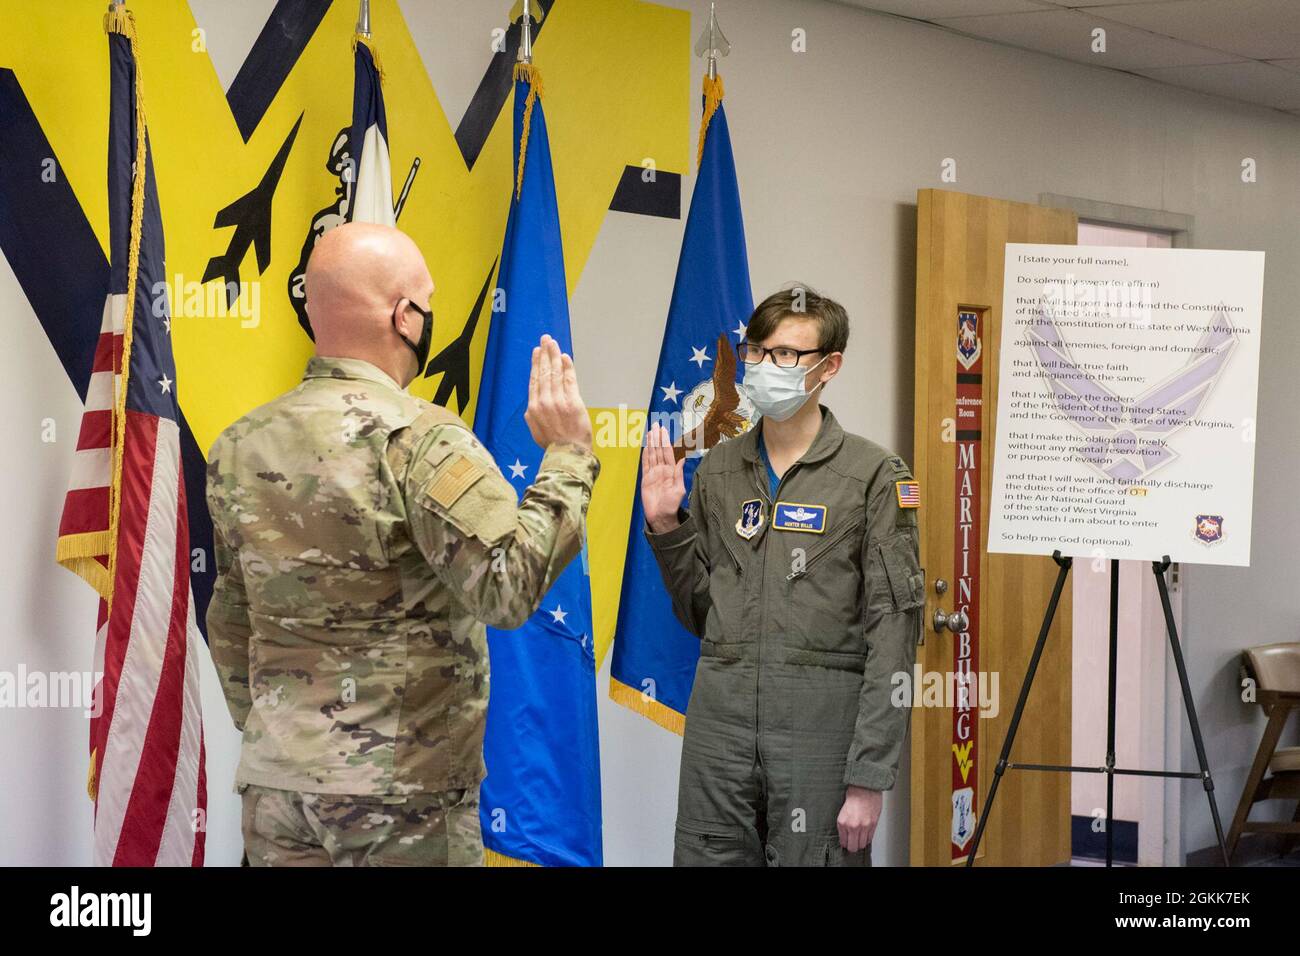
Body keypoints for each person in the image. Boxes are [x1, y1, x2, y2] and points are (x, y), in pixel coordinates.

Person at [205, 221, 598, 866]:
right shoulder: (419, 439)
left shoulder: (239, 444)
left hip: (278, 790)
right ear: (405, 316)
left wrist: (287, 736)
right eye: (427, 301)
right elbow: (507, 587)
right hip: (399, 799)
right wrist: (568, 455)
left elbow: (230, 619)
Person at [641, 285, 924, 866]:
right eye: (758, 352)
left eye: (788, 355)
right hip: (721, 736)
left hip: (819, 738)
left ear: (830, 366)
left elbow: (892, 636)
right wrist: (667, 526)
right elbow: (701, 613)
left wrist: (869, 776)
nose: (768, 368)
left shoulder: (873, 476)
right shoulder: (719, 468)